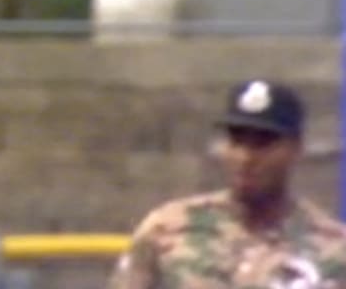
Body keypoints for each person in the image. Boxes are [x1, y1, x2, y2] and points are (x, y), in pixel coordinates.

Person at [108, 80, 346, 289]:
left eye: (263, 144)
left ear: (295, 149)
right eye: (237, 141)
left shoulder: (333, 249)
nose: (246, 158)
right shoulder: (167, 229)